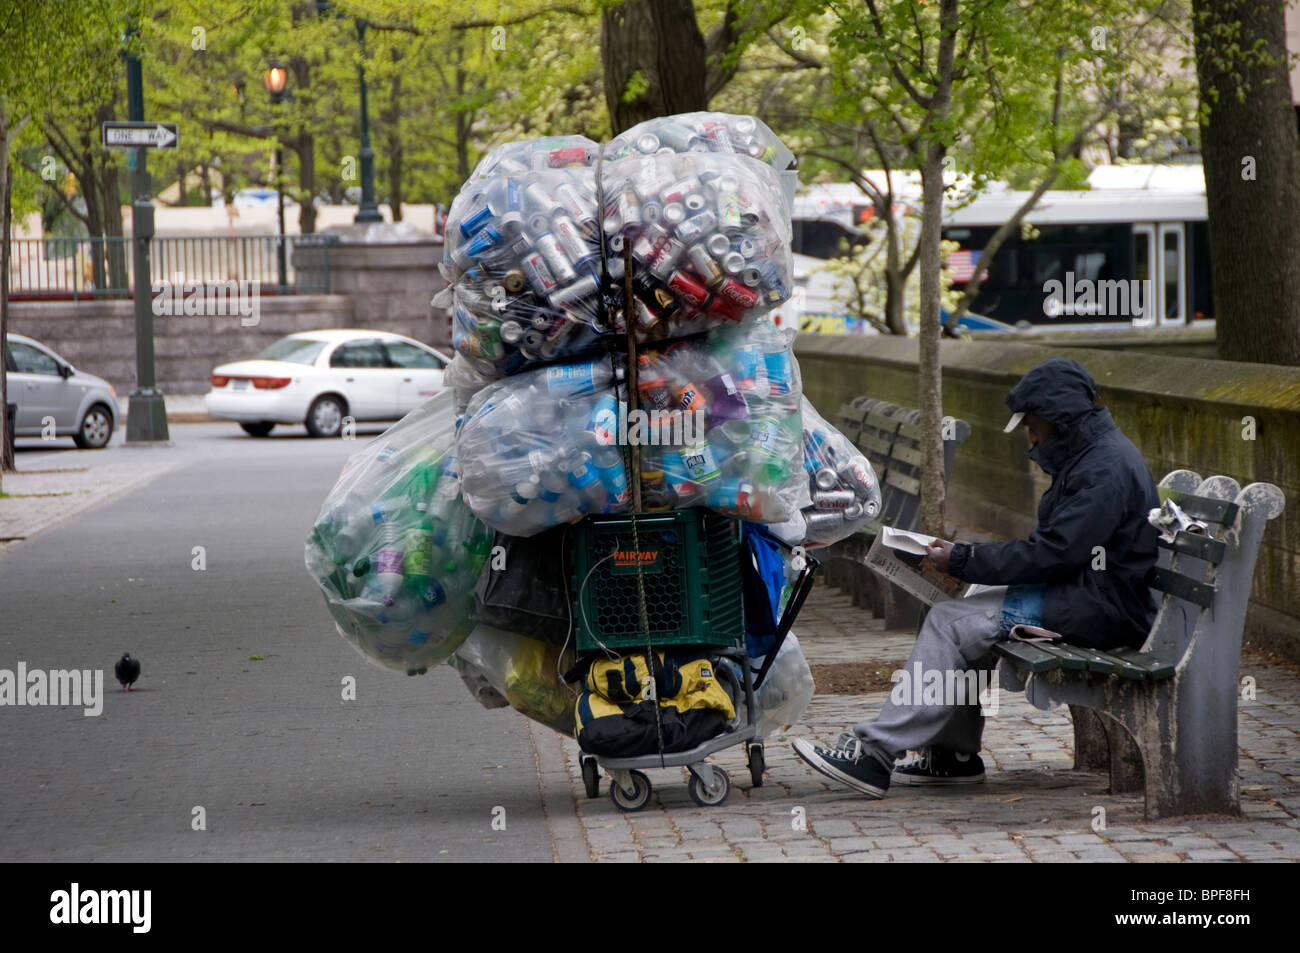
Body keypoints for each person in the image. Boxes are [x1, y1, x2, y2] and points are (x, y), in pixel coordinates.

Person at [791, 357, 1159, 798]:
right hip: (1088, 595)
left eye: (1033, 424)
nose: (1030, 437)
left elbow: (1055, 554)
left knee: (951, 623)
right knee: (958, 615)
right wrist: (967, 565)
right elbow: (1059, 553)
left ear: (1059, 418)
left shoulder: (1103, 470)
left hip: (1101, 608)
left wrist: (963, 560)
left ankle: (874, 755)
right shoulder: (1092, 457)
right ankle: (953, 755)